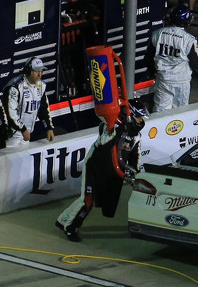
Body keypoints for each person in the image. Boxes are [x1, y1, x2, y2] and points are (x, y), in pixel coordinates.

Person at [56, 100, 148, 242]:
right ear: (129, 115)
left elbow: (135, 157)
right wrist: (119, 131)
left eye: (142, 118)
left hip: (110, 171)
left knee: (89, 199)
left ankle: (62, 219)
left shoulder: (136, 137)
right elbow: (105, 144)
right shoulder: (112, 125)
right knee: (87, 201)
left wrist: (133, 172)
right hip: (94, 165)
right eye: (138, 117)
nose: (141, 121)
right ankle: (70, 227)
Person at [146, 5, 198, 112]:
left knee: (160, 112)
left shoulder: (158, 33)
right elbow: (196, 65)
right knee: (180, 113)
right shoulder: (189, 39)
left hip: (163, 79)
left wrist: (155, 71)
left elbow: (148, 58)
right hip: (182, 81)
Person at [2, 57, 54, 148]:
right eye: (36, 71)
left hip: (27, 133)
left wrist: (48, 127)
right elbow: (10, 112)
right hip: (13, 136)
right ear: (28, 71)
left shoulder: (41, 85)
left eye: (41, 71)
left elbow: (43, 109)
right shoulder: (15, 86)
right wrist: (23, 129)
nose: (40, 74)